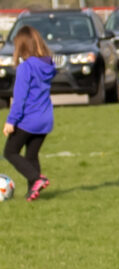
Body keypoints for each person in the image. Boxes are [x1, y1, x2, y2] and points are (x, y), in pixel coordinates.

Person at [2, 26, 56, 202]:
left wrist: (11, 121)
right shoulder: (48, 64)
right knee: (31, 156)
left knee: (10, 152)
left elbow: (20, 98)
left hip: (28, 119)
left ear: (22, 47)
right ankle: (32, 192)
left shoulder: (26, 68)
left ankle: (37, 179)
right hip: (45, 119)